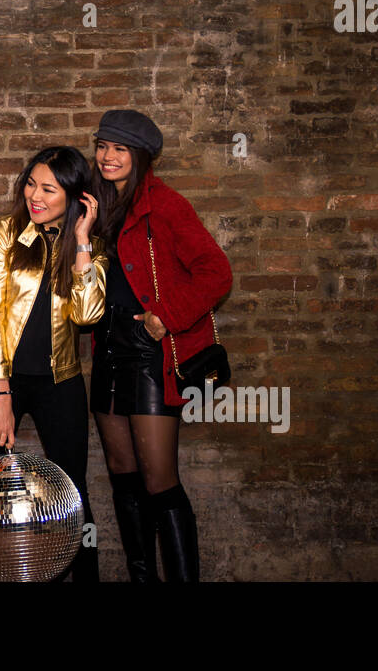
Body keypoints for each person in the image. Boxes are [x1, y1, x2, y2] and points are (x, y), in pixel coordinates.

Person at [0, 145, 107, 582]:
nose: (35, 195)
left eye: (48, 189)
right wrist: (2, 396)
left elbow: (88, 315)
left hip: (62, 381)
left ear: (74, 198)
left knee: (74, 495)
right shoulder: (7, 231)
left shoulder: (89, 247)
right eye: (31, 183)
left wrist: (84, 243)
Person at [89, 109, 232, 582]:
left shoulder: (166, 205)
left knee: (159, 482)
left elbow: (217, 272)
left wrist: (164, 319)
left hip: (152, 357)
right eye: (103, 145)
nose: (108, 156)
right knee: (123, 477)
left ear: (142, 156)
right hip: (108, 352)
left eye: (120, 149)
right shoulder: (96, 205)